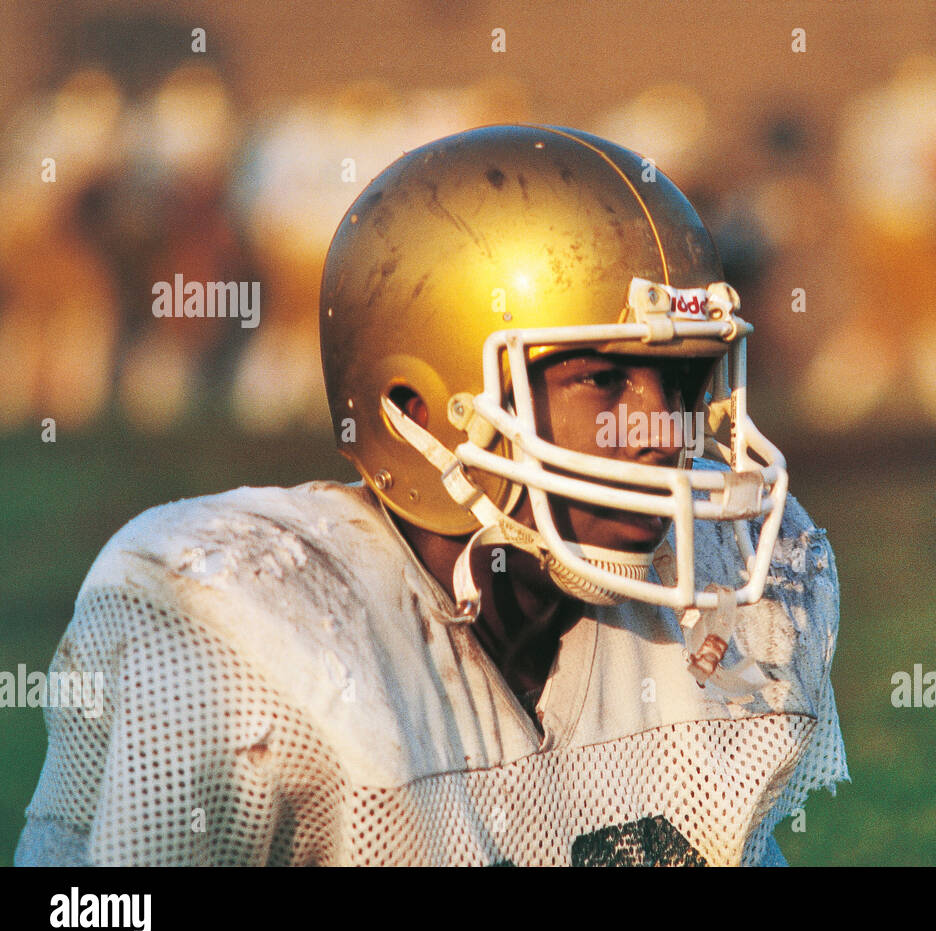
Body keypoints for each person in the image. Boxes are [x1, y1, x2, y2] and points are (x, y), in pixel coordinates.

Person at [16, 125, 847, 866]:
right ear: (416, 412)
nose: (662, 430)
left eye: (681, 378)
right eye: (604, 378)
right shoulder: (244, 629)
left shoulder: (722, 597)